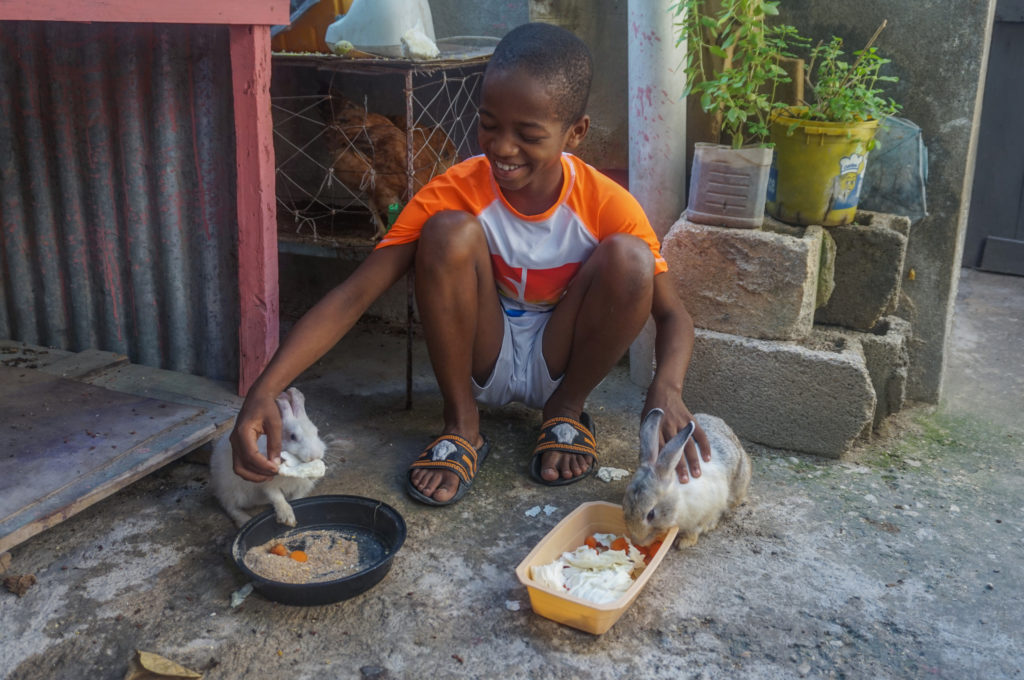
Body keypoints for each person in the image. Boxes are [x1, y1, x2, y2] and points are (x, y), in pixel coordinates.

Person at [230, 22, 711, 506]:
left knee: (631, 258)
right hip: (485, 354)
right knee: (446, 231)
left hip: (561, 361)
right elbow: (354, 295)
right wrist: (265, 390)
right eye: (489, 124)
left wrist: (667, 387)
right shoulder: (455, 189)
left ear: (576, 133)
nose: (502, 147)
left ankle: (565, 412)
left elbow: (674, 315)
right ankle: (461, 424)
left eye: (528, 134)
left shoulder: (605, 202)